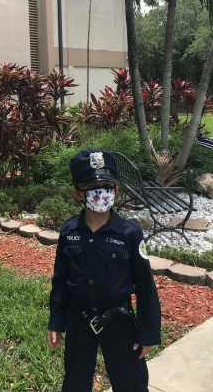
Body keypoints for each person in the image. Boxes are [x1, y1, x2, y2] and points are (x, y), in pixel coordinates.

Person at [48, 149, 162, 392]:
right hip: (80, 321)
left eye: (107, 185)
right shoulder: (70, 233)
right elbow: (60, 282)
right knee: (75, 383)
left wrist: (148, 333)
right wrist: (56, 321)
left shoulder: (129, 233)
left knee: (131, 382)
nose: (101, 192)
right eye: (93, 187)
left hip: (120, 323)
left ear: (115, 190)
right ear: (78, 194)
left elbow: (145, 285)